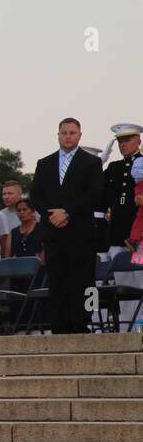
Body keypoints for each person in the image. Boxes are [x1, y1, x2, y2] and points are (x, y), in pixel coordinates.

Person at [30, 117, 104, 334]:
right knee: (57, 280)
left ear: (80, 135)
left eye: (72, 133)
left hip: (81, 232)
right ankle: (59, 326)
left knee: (82, 280)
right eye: (64, 133)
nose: (68, 137)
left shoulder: (91, 162)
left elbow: (95, 193)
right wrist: (51, 214)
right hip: (54, 233)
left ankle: (82, 324)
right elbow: (36, 194)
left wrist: (68, 211)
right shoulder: (44, 163)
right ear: (58, 135)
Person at [103, 123, 142, 330]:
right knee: (123, 287)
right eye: (120, 141)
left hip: (139, 234)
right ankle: (128, 329)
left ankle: (139, 328)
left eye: (127, 140)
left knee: (140, 284)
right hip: (118, 234)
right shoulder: (114, 168)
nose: (123, 144)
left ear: (139, 141)